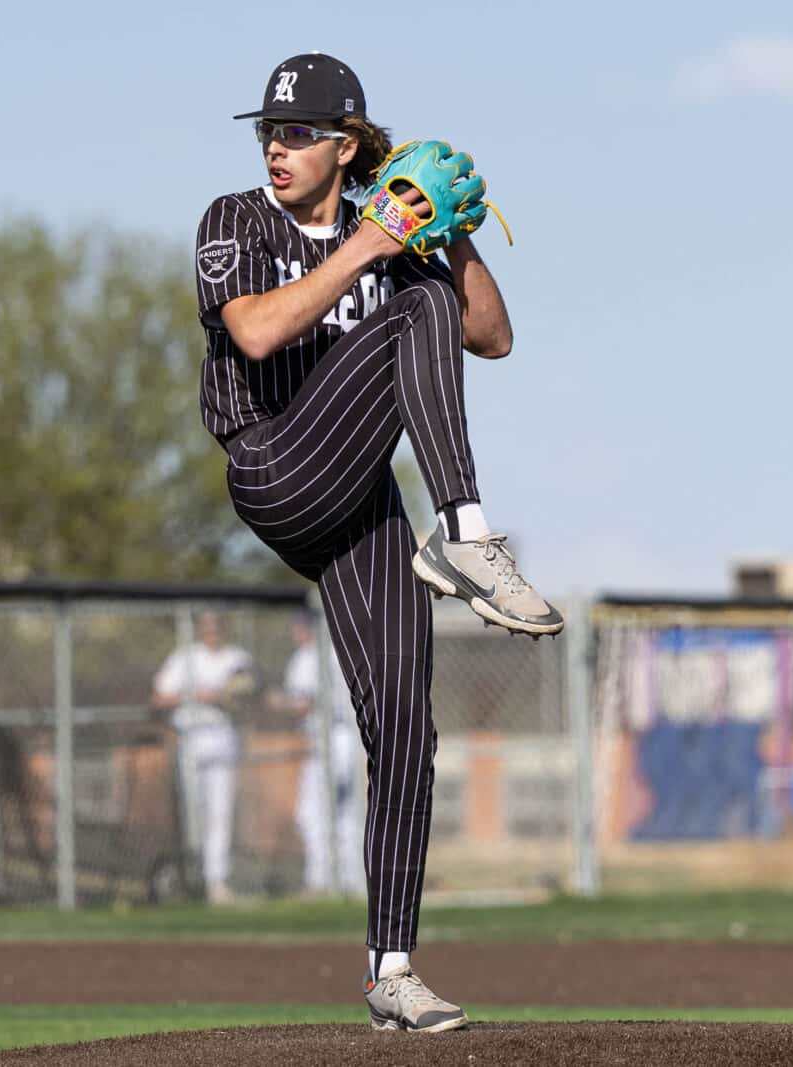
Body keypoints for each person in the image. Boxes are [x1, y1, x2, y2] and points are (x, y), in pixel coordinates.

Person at [195, 51, 561, 1032]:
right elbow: (256, 334)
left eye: (298, 132)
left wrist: (453, 231)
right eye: (268, 131)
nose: (276, 148)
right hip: (274, 464)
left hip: (359, 504)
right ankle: (466, 533)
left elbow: (493, 336)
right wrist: (372, 243)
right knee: (418, 306)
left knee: (404, 728)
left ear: (347, 145)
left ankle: (390, 969)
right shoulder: (237, 219)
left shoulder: (389, 234)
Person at [151, 612, 254, 905]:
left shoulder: (236, 657)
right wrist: (198, 695)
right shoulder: (185, 658)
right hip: (192, 741)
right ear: (198, 629)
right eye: (207, 626)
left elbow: (251, 690)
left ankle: (216, 882)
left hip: (223, 741)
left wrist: (231, 696)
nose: (212, 631)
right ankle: (191, 877)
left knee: (220, 814)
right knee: (193, 815)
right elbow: (158, 697)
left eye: (217, 625)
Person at [276, 612, 365, 896]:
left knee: (311, 813)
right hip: (352, 738)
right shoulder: (342, 652)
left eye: (299, 626)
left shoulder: (307, 657)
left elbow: (304, 705)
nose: (296, 631)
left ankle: (320, 880)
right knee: (346, 813)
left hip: (328, 740)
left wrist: (274, 702)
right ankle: (353, 881)